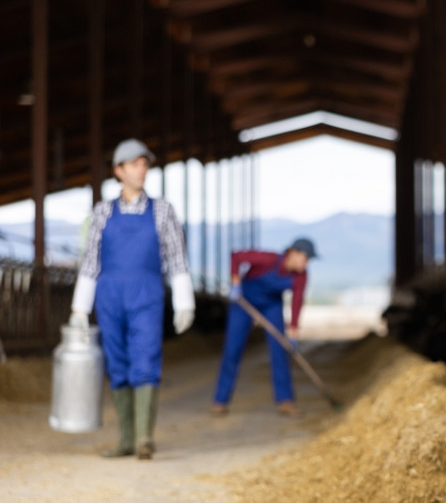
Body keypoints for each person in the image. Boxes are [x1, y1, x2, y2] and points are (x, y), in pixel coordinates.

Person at [69, 138, 195, 460]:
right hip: (109, 295)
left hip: (146, 294)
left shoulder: (163, 210)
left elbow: (177, 258)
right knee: (117, 361)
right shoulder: (102, 212)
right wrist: (79, 309)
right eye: (135, 164)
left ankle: (143, 438)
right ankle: (125, 439)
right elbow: (90, 262)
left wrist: (185, 302)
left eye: (144, 164)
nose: (142, 169)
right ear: (119, 171)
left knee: (146, 357)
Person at [211, 238, 315, 418]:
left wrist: (293, 331)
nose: (306, 263)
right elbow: (236, 256)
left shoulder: (301, 275)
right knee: (232, 349)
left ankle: (285, 401)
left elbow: (297, 300)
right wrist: (235, 283)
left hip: (271, 305)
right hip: (243, 301)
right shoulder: (268, 259)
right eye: (305, 258)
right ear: (293, 253)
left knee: (280, 350)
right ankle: (220, 401)